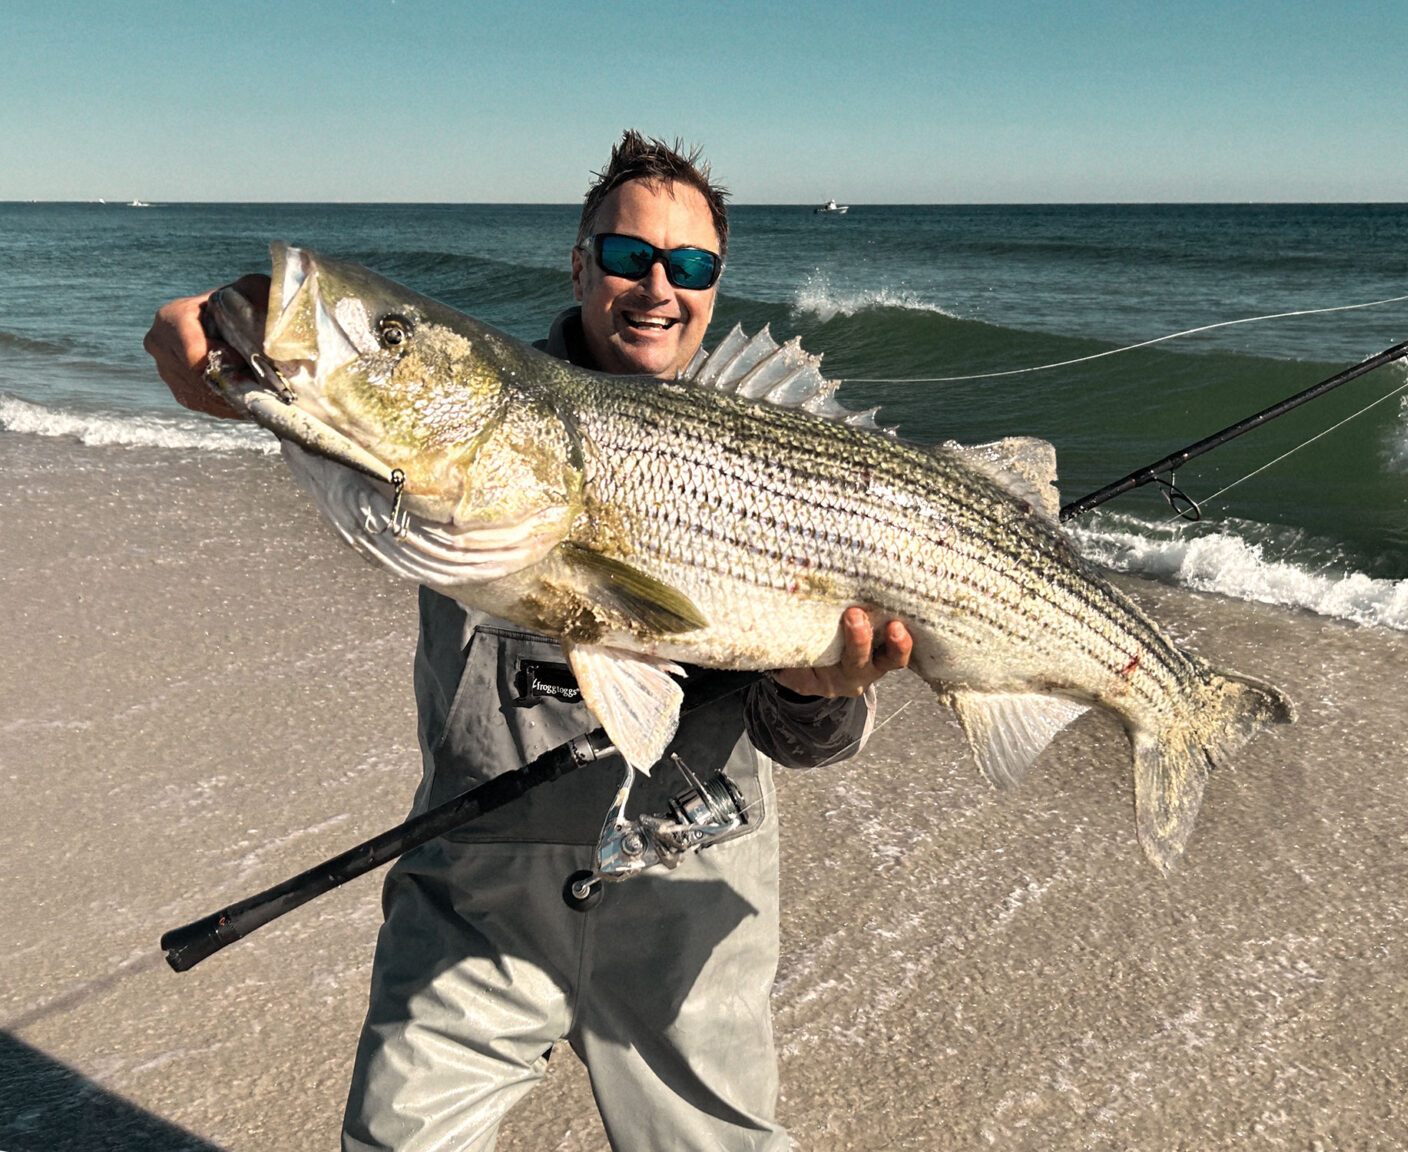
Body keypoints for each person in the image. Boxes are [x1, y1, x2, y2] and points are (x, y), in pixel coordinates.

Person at [144, 131, 912, 1151]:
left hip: (694, 877)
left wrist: (824, 694)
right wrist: (215, 334)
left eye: (690, 267)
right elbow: (315, 368)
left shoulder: (767, 455)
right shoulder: (474, 406)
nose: (657, 288)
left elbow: (801, 740)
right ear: (580, 261)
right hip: (475, 880)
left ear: (717, 286)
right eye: (629, 255)